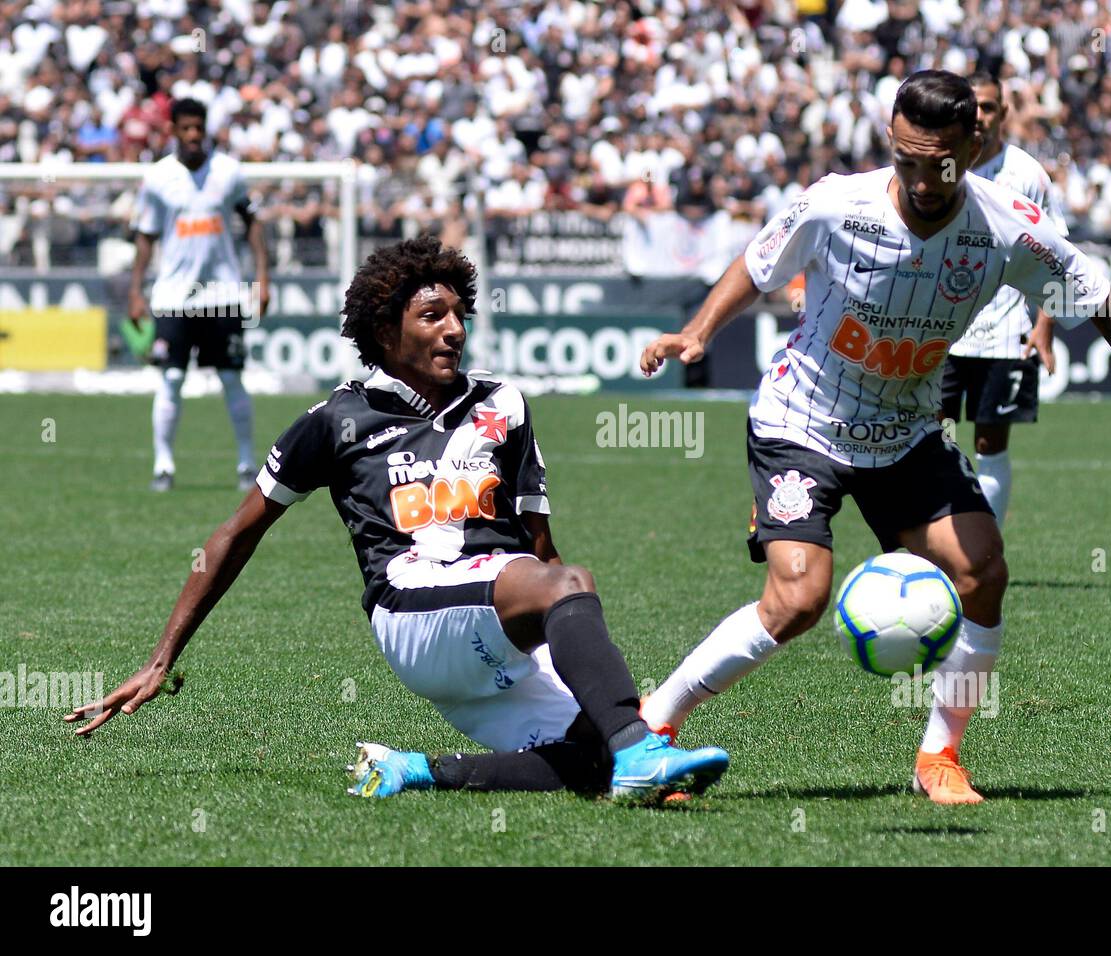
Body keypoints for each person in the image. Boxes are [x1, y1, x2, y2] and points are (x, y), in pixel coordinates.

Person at [638, 71, 1111, 804]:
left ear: (974, 145)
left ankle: (939, 754)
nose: (920, 178)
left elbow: (1100, 300)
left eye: (937, 162)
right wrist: (697, 332)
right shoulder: (838, 202)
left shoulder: (1007, 225)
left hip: (906, 433)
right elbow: (756, 264)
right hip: (801, 421)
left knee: (983, 574)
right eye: (904, 158)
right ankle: (653, 730)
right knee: (799, 598)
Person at [69, 236, 730, 806]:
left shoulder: (504, 403)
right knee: (571, 593)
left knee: (594, 761)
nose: (454, 329)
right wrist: (160, 661)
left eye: (459, 314)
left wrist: (571, 661)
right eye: (432, 315)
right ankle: (642, 750)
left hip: (498, 622)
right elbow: (234, 534)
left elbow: (538, 548)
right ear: (387, 332)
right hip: (413, 618)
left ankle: (413, 770)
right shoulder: (338, 421)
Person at [127, 97, 270, 493]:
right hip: (173, 297)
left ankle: (246, 464)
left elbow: (253, 224)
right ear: (172, 130)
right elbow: (146, 237)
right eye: (186, 128)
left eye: (198, 128)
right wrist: (135, 291)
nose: (193, 136)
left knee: (232, 378)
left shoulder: (228, 172)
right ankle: (164, 465)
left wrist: (263, 277)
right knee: (171, 378)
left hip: (221, 294)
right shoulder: (157, 178)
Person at [940, 71, 1064, 526]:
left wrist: (1044, 328)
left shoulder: (1027, 174)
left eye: (989, 107)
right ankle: (933, 547)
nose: (979, 117)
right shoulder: (939, 165)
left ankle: (983, 550)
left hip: (1006, 336)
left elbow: (1056, 258)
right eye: (971, 106)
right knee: (934, 440)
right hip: (941, 336)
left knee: (991, 444)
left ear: (1003, 113)